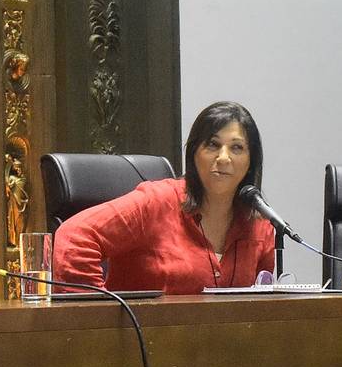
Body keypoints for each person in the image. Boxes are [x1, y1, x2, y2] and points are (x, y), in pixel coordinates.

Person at [52, 101, 276, 294]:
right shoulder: (156, 202)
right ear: (193, 153)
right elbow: (73, 239)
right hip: (141, 341)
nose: (224, 158)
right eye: (213, 145)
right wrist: (101, 318)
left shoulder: (259, 225)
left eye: (237, 148)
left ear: (250, 162)